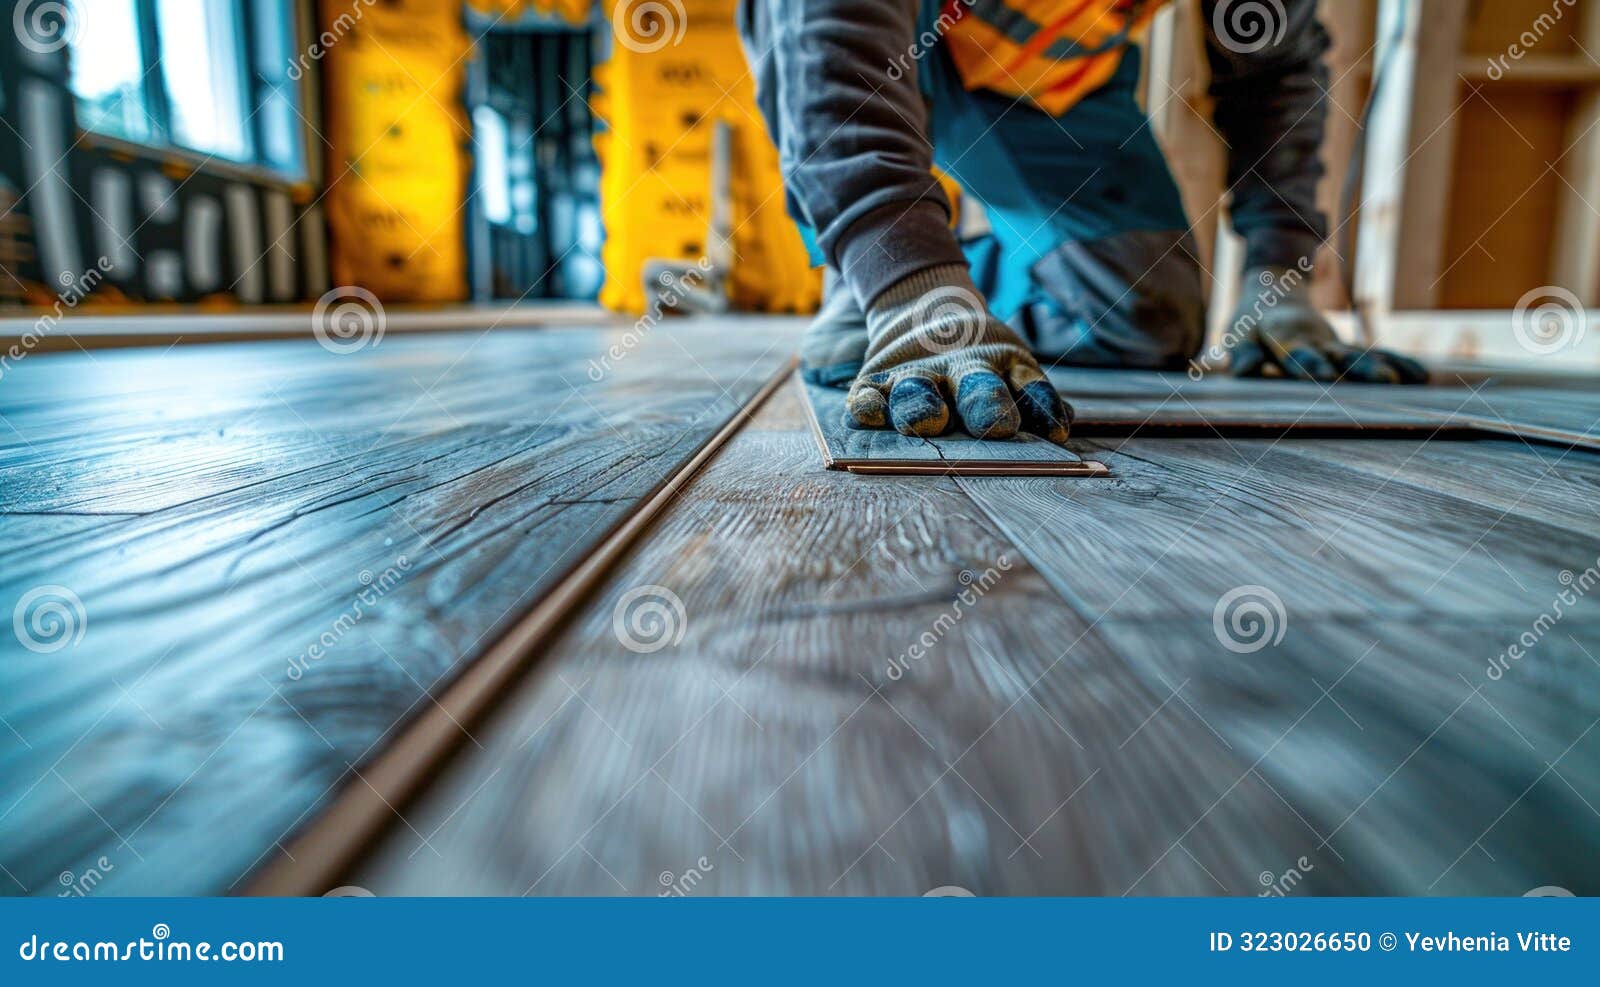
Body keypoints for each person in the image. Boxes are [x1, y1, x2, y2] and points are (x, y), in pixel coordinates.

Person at [738, 0, 1426, 443]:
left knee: (1148, 319)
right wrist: (909, 291)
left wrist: (1279, 276)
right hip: (872, 37)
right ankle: (865, 278)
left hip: (1038, 74)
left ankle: (951, 272)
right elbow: (831, 36)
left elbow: (1273, 72)